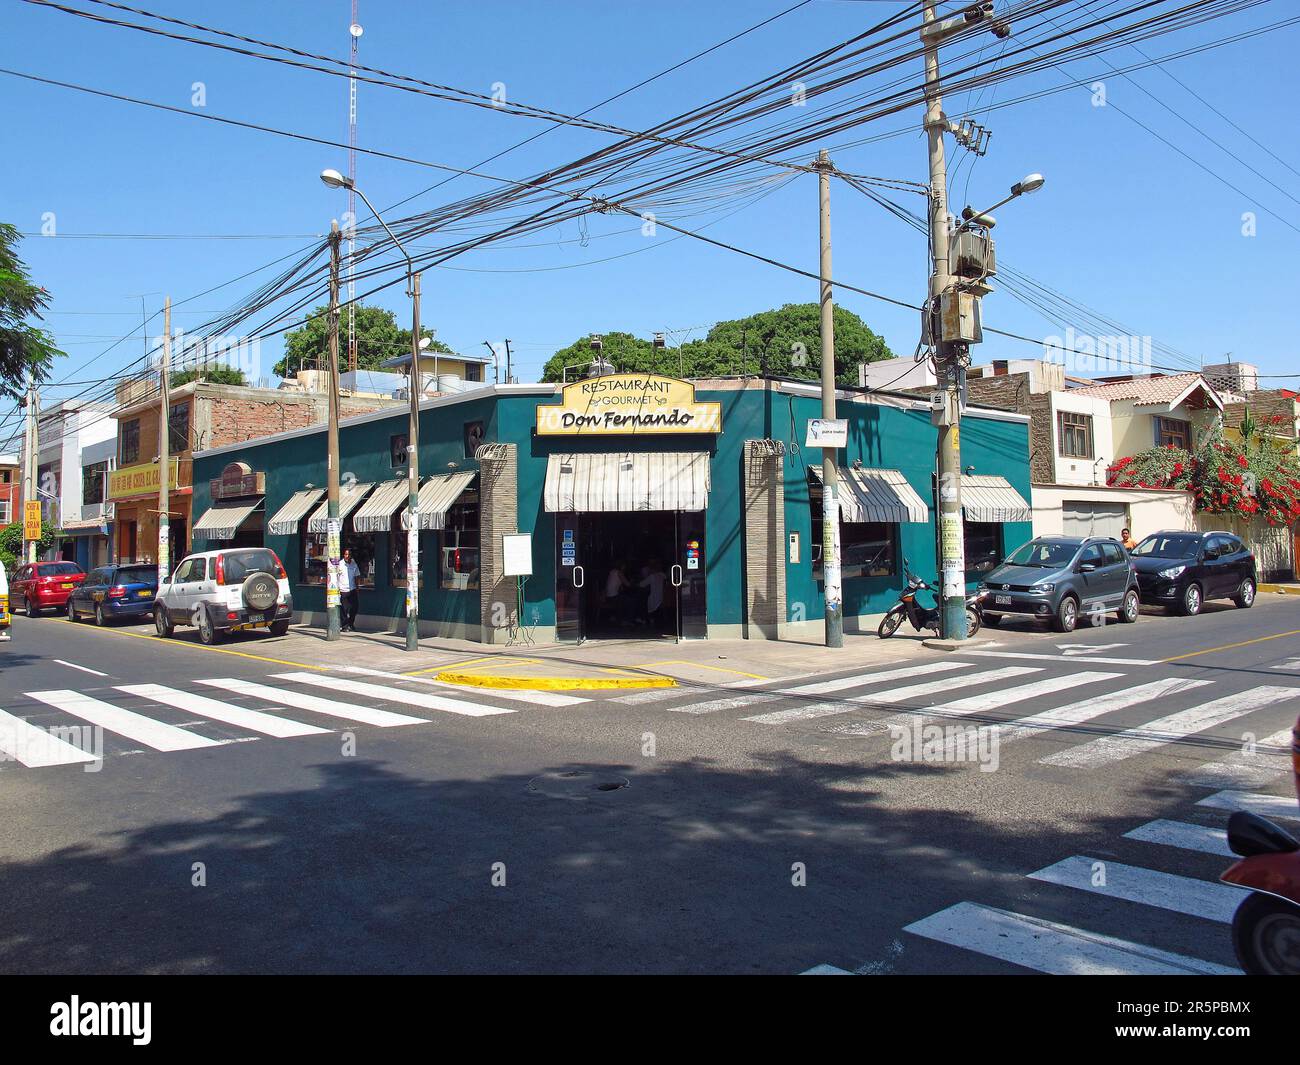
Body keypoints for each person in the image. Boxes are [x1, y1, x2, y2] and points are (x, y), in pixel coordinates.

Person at [336, 548, 361, 631]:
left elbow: (356, 576)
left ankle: (351, 623)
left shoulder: (354, 564)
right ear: (344, 555)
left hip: (352, 589)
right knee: (344, 609)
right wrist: (337, 588)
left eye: (349, 554)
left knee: (354, 608)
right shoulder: (340, 564)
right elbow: (336, 576)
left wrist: (357, 587)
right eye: (346, 554)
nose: (347, 556)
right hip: (343, 590)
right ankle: (344, 626)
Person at [640, 558, 667, 630]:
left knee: (644, 600)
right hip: (663, 597)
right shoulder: (663, 575)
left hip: (654, 597)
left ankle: (646, 620)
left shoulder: (652, 576)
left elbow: (641, 584)